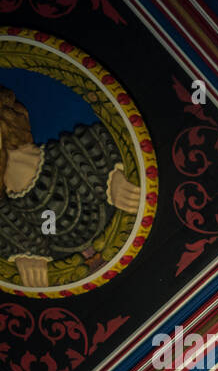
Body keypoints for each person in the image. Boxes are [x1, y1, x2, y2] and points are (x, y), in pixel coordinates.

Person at [0, 87, 141, 288]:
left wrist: (115, 175)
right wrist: (25, 254)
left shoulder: (77, 152)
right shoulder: (8, 219)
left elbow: (114, 147)